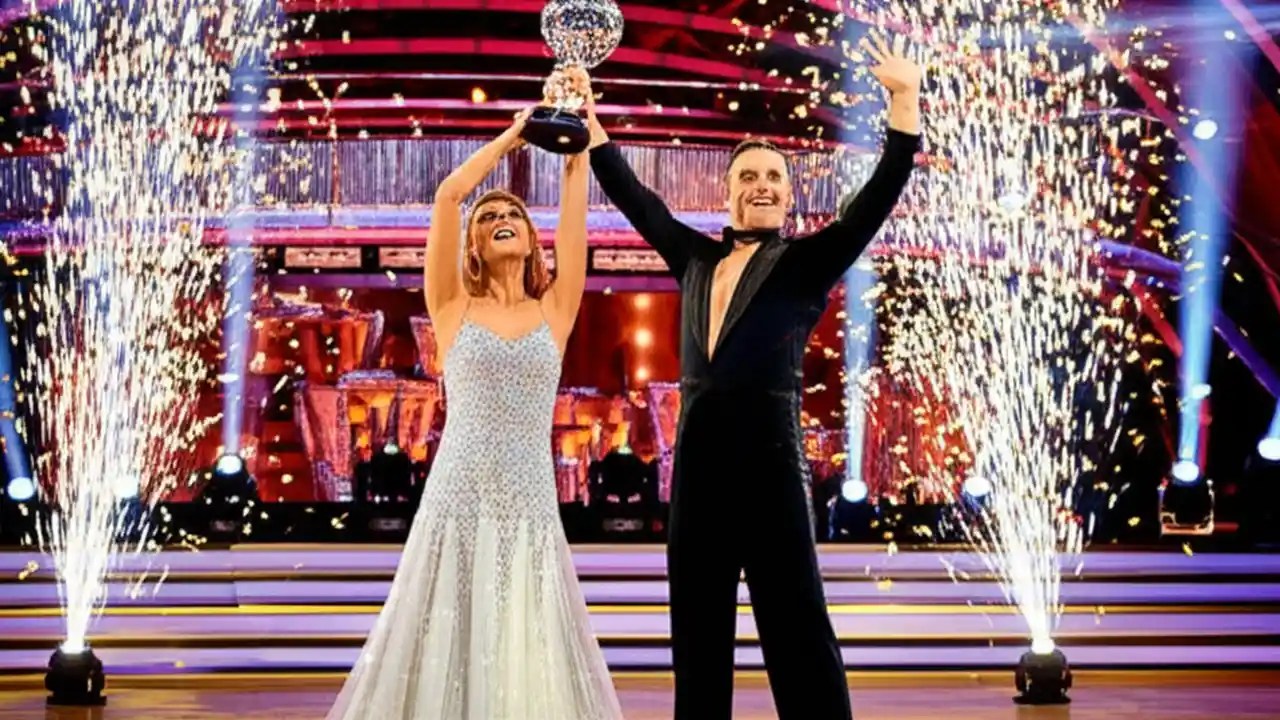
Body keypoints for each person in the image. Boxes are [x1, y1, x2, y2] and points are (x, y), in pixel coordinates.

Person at [579, 31, 922, 720]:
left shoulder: (805, 263)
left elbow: (876, 199)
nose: (761, 186)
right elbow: (638, 201)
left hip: (771, 472)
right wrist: (587, 117)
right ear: (729, 191)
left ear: (789, 197)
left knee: (798, 634)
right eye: (748, 177)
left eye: (773, 178)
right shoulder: (695, 258)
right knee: (696, 642)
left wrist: (904, 103)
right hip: (698, 477)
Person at [327, 107, 624, 720]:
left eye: (513, 214)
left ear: (532, 239)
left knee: (522, 634)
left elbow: (575, 194)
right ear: (473, 247)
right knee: (451, 628)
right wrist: (516, 134)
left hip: (528, 497)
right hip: (460, 490)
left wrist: (575, 129)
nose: (501, 219)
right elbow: (449, 195)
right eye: (488, 218)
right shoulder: (451, 306)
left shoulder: (555, 310)